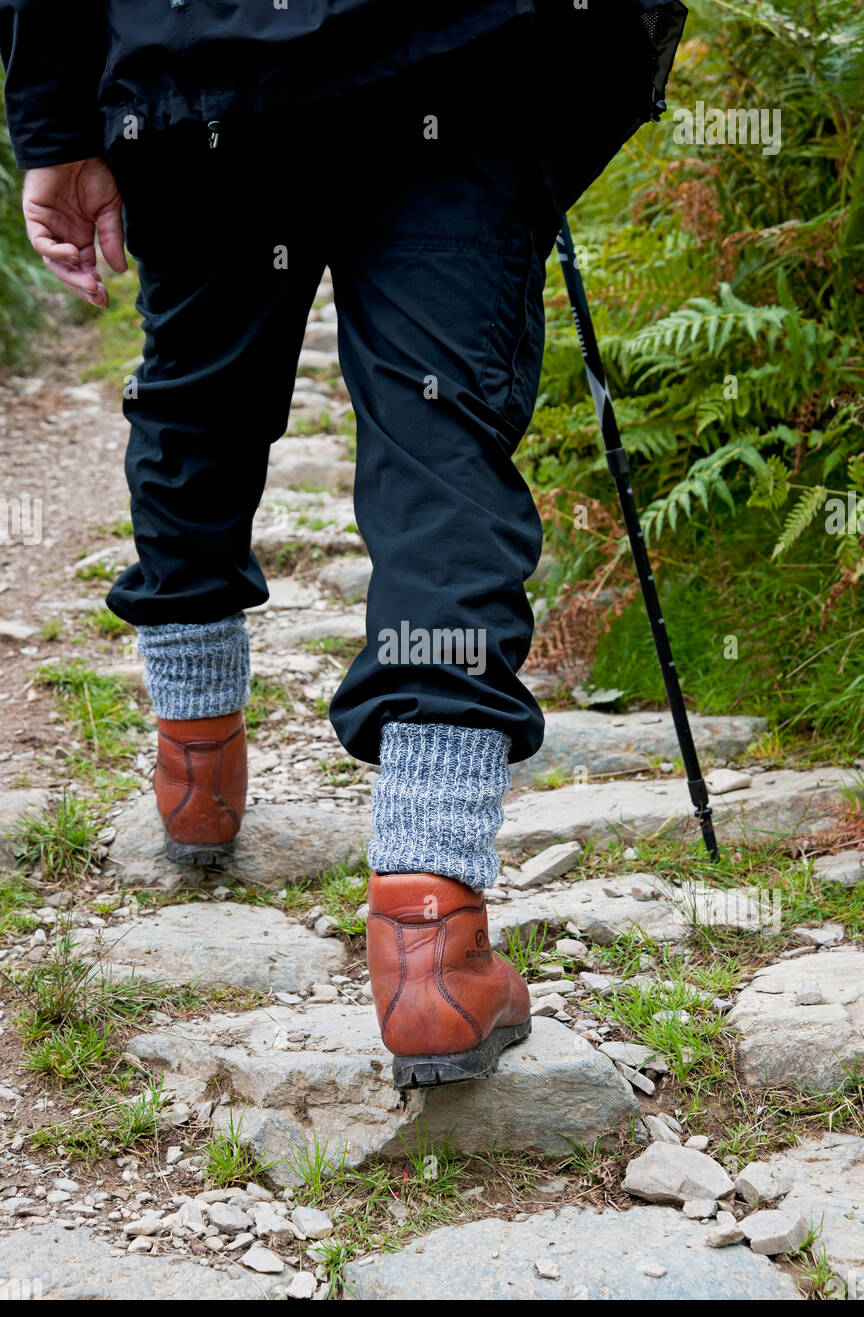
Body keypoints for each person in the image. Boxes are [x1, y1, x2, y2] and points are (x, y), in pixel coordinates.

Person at [0, 0, 680, 1088]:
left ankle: (196, 772)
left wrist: (54, 128)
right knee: (439, 445)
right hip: (455, 56)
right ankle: (432, 938)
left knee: (196, 410)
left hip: (198, 69)